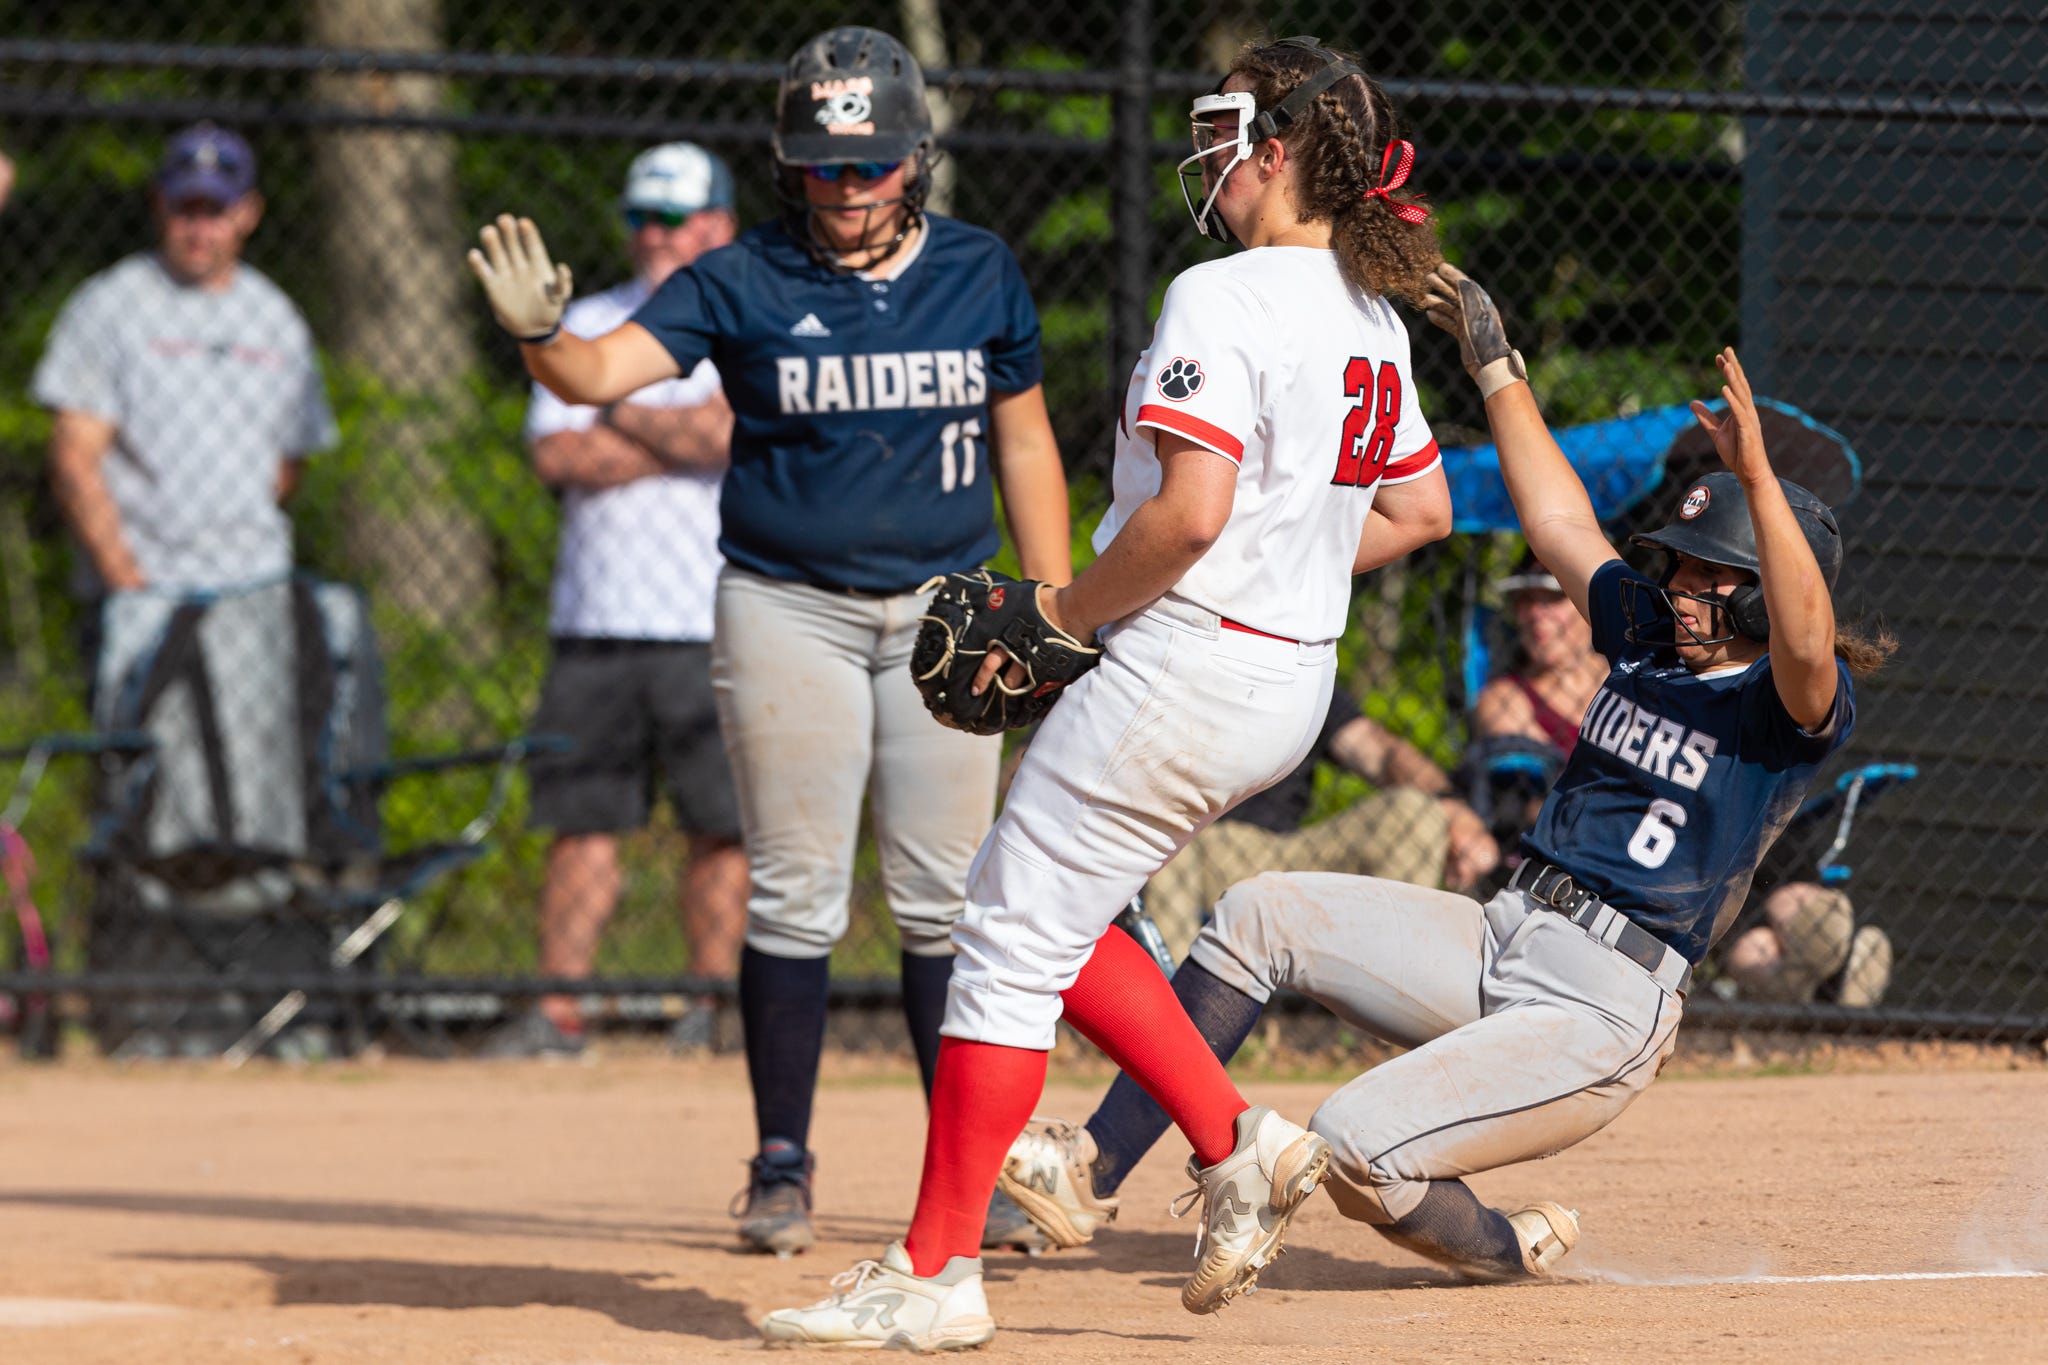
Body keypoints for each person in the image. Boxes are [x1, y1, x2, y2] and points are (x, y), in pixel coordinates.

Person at [992, 266, 1896, 1288]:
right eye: (1677, 570)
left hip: (1601, 1006)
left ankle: (1508, 1248)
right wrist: (1492, 360)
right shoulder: (1642, 638)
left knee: (1353, 1143)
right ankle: (1089, 1171)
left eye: (1705, 577)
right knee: (1256, 914)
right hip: (1502, 932)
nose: (1678, 589)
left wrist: (1761, 484)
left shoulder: (1781, 706)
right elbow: (1555, 518)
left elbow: (1808, 633)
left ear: (1761, 595)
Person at [756, 37, 1456, 1349]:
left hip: (1188, 660)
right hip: (1283, 681)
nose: (1208, 158)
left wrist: (1066, 613)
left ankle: (935, 1272)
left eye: (1227, 134)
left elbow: (1190, 517)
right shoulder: (1370, 313)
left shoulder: (1226, 295)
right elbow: (1420, 506)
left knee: (1008, 929)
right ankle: (1237, 1141)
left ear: (1284, 152)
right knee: (1053, 910)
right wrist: (1277, 550)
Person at [466, 28, 1073, 1258]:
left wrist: (1050, 604)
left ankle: (966, 1176)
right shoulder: (742, 276)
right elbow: (595, 375)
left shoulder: (977, 271)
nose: (845, 191)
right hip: (785, 600)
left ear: (915, 159)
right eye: (822, 167)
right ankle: (782, 1162)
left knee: (943, 901)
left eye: (869, 166)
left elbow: (1022, 439)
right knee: (795, 889)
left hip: (947, 609)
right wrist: (539, 339)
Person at [481, 143, 749, 1060]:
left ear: (720, 223)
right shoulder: (583, 316)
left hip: (710, 614)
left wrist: (613, 406)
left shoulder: (738, 314)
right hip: (595, 617)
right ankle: (561, 1012)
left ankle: (710, 1007)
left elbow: (730, 435)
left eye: (675, 218)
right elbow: (558, 454)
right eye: (642, 216)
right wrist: (679, 431)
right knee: (580, 819)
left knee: (720, 825)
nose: (656, 235)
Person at [34, 123, 336, 605]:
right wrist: (130, 589)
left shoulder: (277, 318)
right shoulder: (110, 305)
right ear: (159, 204)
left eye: (215, 211)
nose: (199, 230)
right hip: (143, 588)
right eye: (185, 210)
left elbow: (290, 461)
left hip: (255, 587)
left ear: (249, 213)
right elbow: (74, 457)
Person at [1143, 688, 1499, 959]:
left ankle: (1391, 1013)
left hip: (1288, 854)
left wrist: (1453, 810)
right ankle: (1169, 1030)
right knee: (1161, 833)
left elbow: (1379, 751)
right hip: (1198, 843)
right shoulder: (1176, 663)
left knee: (1415, 811)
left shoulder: (1303, 673)